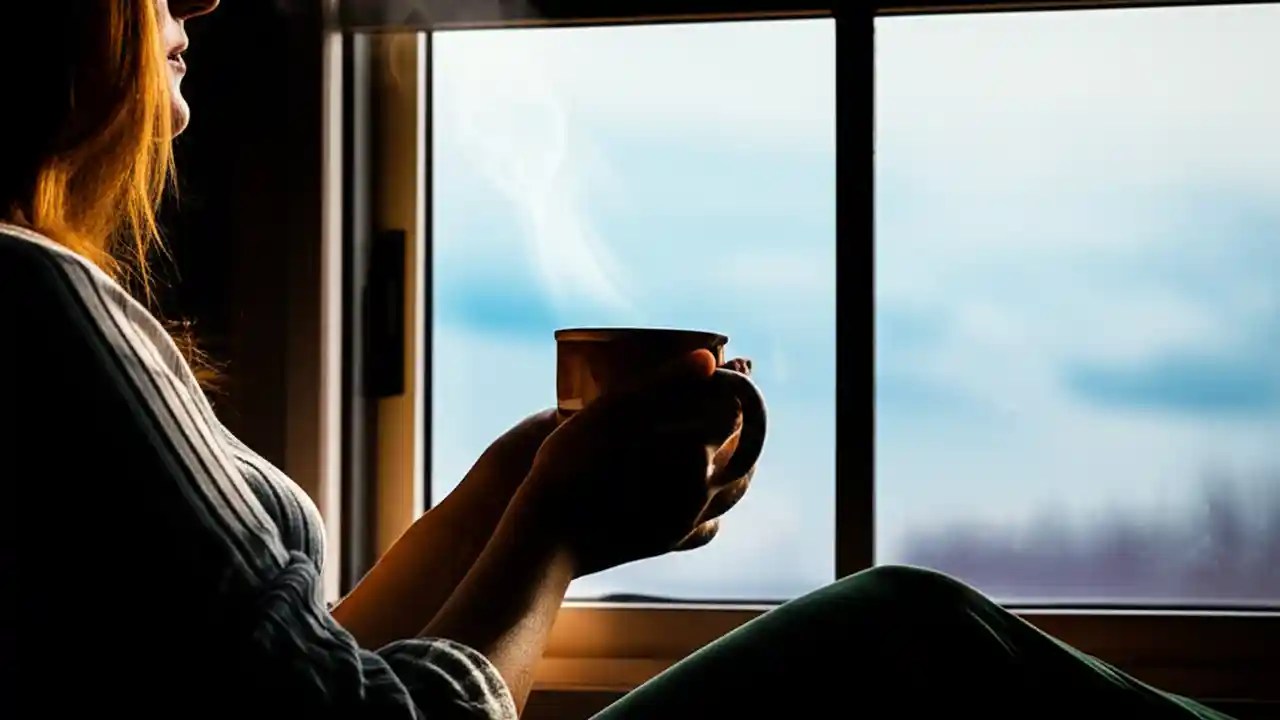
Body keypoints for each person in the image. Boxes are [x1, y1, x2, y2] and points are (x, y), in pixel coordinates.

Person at [0, 2, 1237, 719]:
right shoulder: (37, 300)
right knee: (900, 632)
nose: (201, 0)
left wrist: (511, 491)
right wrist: (553, 531)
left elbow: (311, 677)